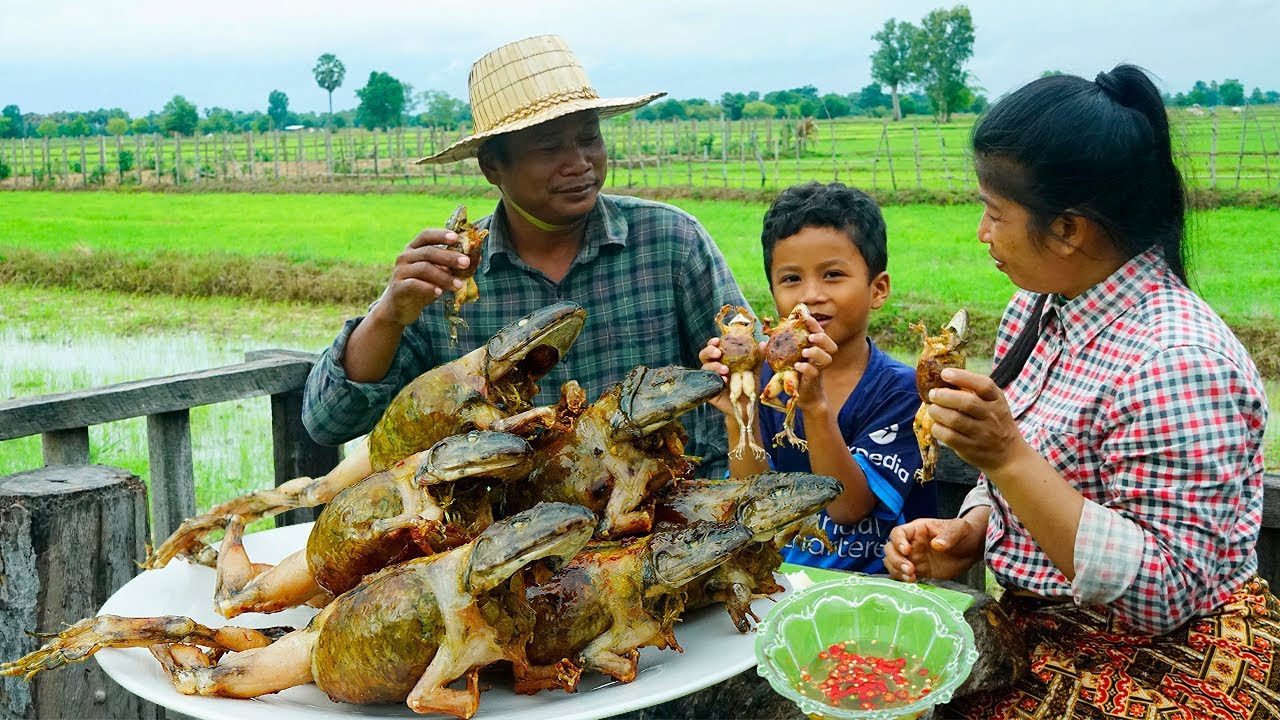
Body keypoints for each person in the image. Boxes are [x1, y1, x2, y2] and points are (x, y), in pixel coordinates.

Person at [884, 65, 1276, 718]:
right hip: (1045, 630)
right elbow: (1044, 464)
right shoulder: (1038, 308)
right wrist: (973, 529)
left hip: (1165, 660)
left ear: (1069, 229)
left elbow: (1167, 593)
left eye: (995, 212)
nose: (982, 232)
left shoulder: (1178, 362)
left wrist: (1006, 455)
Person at [302, 35, 748, 477]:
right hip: (510, 520)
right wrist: (388, 315)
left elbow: (751, 363)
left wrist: (741, 361)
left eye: (589, 137)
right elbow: (329, 421)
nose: (579, 162)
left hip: (672, 506)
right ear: (492, 165)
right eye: (549, 147)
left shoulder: (670, 240)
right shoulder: (447, 276)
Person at [700, 181, 934, 574]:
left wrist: (813, 405)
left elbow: (847, 508)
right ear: (773, 292)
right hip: (781, 583)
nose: (810, 295)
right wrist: (740, 414)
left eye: (833, 274)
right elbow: (751, 497)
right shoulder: (765, 381)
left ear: (878, 289)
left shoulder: (900, 392)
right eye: (791, 279)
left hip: (868, 591)